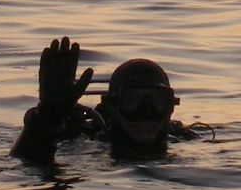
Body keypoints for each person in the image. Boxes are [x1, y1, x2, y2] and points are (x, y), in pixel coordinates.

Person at [11, 37, 205, 164]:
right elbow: (26, 163)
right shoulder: (82, 143)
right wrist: (48, 116)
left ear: (171, 107)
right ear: (111, 107)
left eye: (157, 102)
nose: (146, 114)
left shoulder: (188, 142)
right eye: (132, 101)